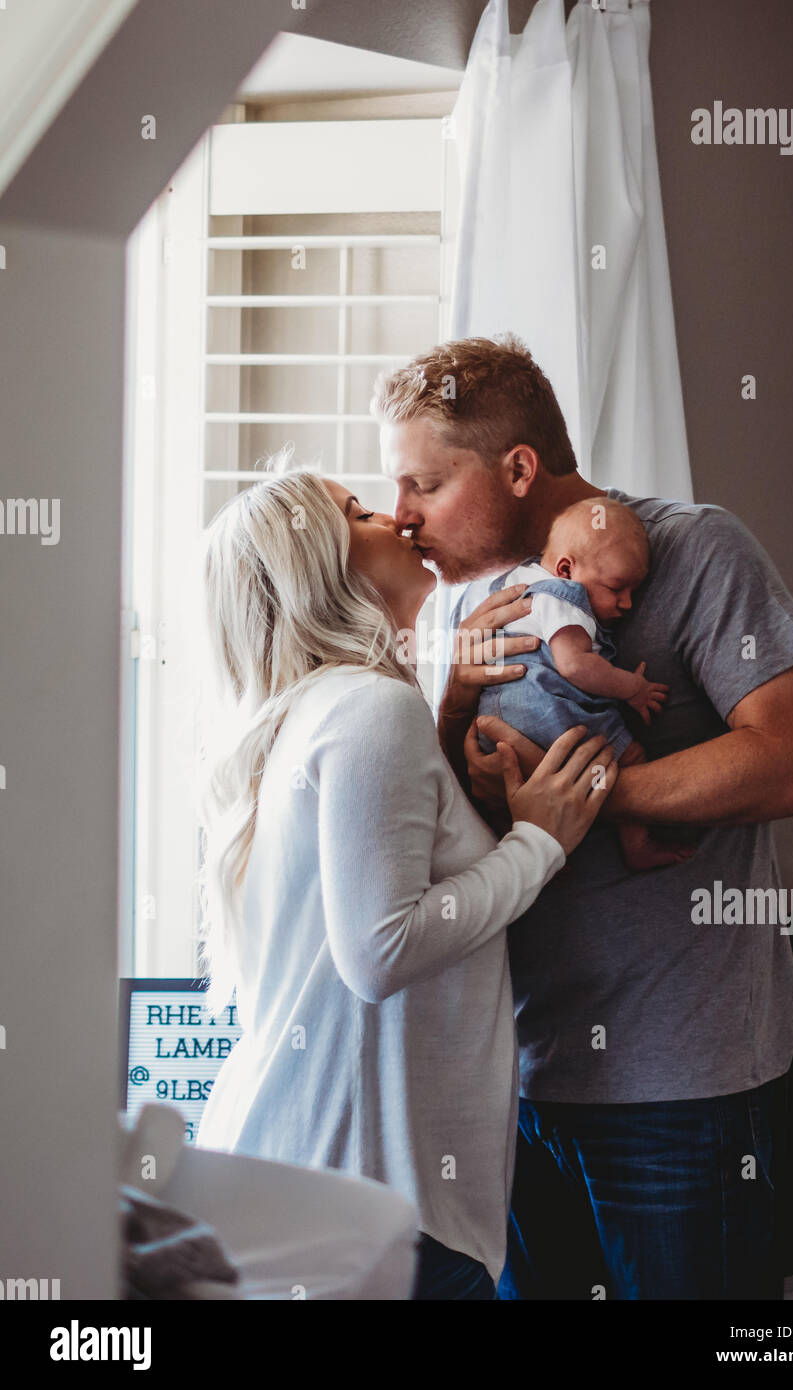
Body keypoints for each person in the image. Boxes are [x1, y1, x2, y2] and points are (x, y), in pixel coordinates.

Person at [372, 333, 793, 1299]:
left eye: (425, 486)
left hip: (678, 1085)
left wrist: (586, 799)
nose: (400, 517)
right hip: (513, 1075)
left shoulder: (693, 549)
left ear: (518, 468)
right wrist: (453, 703)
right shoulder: (469, 608)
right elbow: (460, 831)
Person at [193, 458, 617, 1300]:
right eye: (357, 515)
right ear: (316, 567)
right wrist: (538, 842)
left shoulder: (319, 713)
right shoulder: (364, 712)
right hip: (356, 1197)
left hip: (299, 1181)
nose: (396, 519)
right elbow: (380, 952)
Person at [475, 495, 694, 872]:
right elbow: (575, 666)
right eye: (616, 588)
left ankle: (523, 855)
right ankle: (638, 847)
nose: (626, 603)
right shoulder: (564, 597)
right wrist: (632, 688)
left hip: (497, 712)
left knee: (515, 796)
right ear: (565, 569)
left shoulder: (516, 581)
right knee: (631, 758)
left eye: (633, 593)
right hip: (546, 709)